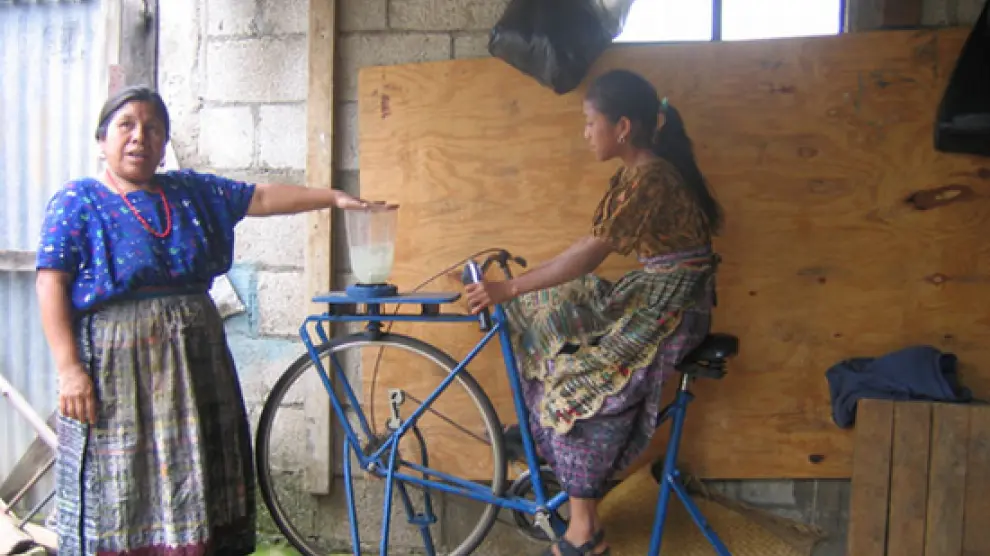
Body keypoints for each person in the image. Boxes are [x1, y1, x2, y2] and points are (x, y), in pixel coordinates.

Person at [36, 85, 380, 556]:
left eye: (153, 128)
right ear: (101, 141)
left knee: (197, 463)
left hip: (198, 364)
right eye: (126, 125)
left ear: (164, 144)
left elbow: (261, 197)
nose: (140, 137)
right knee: (122, 474)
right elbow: (51, 283)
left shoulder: (190, 192)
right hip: (120, 373)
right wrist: (69, 369)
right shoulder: (78, 200)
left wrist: (333, 198)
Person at [464, 69, 723, 556]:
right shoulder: (635, 175)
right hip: (655, 292)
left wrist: (508, 285)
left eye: (589, 122)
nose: (585, 133)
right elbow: (588, 246)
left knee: (579, 382)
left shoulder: (651, 178)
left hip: (674, 306)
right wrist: (516, 290)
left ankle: (585, 531)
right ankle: (544, 436)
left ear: (622, 127)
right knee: (544, 307)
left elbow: (590, 254)